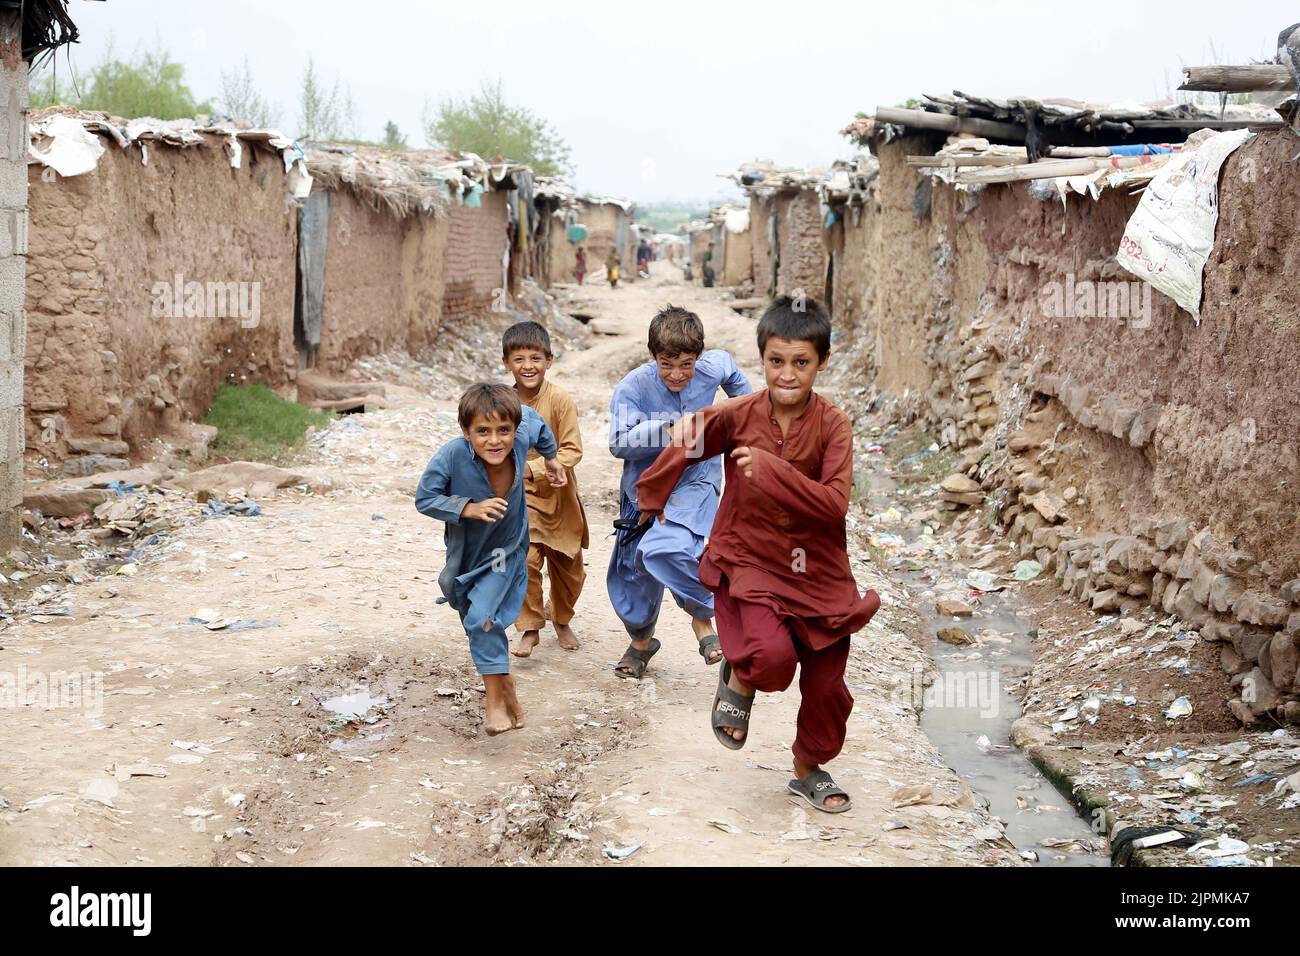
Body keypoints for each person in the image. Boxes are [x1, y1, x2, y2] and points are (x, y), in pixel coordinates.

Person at [635, 295, 881, 813]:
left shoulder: (834, 426)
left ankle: (808, 768)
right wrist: (651, 496)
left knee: (828, 683)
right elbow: (692, 439)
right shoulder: (739, 414)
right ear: (762, 359)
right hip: (753, 557)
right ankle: (742, 677)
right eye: (776, 361)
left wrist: (772, 471)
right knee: (771, 661)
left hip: (819, 569)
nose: (787, 374)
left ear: (821, 362)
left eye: (801, 363)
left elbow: (835, 505)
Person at [606, 305, 751, 680]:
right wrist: (667, 427)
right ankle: (641, 642)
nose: (677, 374)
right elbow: (619, 442)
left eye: (686, 364)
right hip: (644, 486)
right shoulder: (633, 386)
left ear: (698, 356)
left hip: (696, 481)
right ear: (653, 356)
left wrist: (736, 414)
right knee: (633, 576)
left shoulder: (712, 367)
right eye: (667, 364)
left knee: (670, 548)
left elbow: (735, 377)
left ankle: (705, 617)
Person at [415, 383, 567, 736]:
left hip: (506, 551)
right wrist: (468, 507)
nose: (495, 440)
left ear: (514, 429)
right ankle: (506, 686)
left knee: (482, 617)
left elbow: (538, 427)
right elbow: (425, 498)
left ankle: (493, 700)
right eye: (482, 431)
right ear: (466, 432)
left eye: (504, 431)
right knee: (477, 620)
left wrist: (552, 458)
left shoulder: (523, 428)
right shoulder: (452, 456)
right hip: (466, 558)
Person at [500, 321, 589, 658]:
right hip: (521, 500)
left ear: (549, 361)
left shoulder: (561, 400)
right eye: (519, 359)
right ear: (506, 363)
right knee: (525, 559)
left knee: (571, 571)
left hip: (560, 496)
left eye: (535, 358)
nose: (528, 366)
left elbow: (571, 450)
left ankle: (561, 617)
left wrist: (537, 467)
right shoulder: (502, 402)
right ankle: (530, 627)